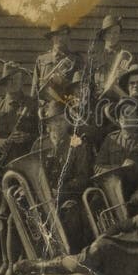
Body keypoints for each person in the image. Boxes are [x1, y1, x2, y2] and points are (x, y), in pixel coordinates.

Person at [0, 62, 39, 275]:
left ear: (22, 81)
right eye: (9, 80)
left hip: (23, 169)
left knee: (22, 215)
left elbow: (44, 133)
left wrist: (29, 138)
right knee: (3, 217)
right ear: (4, 84)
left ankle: (21, 263)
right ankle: (6, 263)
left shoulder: (33, 105)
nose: (13, 83)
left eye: (16, 79)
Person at [29, 100, 95, 254]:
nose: (57, 124)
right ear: (48, 124)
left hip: (67, 197)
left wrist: (60, 191)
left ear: (68, 121)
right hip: (41, 197)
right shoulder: (39, 144)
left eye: (61, 120)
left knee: (71, 215)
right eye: (53, 121)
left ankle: (71, 256)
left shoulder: (77, 143)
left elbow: (83, 178)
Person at [95, 99, 138, 212]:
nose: (124, 117)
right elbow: (98, 167)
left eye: (128, 113)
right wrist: (118, 168)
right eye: (121, 114)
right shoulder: (110, 139)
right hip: (115, 195)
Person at [31, 23, 84, 106]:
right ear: (52, 37)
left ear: (67, 37)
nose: (60, 38)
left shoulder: (76, 59)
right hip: (44, 107)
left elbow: (79, 88)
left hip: (67, 107)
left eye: (63, 35)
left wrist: (63, 82)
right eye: (57, 35)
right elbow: (35, 88)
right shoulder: (42, 59)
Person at [92, 15, 135, 98]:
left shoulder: (126, 56)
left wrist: (125, 76)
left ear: (119, 35)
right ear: (104, 36)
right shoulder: (95, 58)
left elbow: (135, 82)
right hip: (99, 99)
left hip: (120, 99)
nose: (112, 36)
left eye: (116, 32)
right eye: (109, 33)